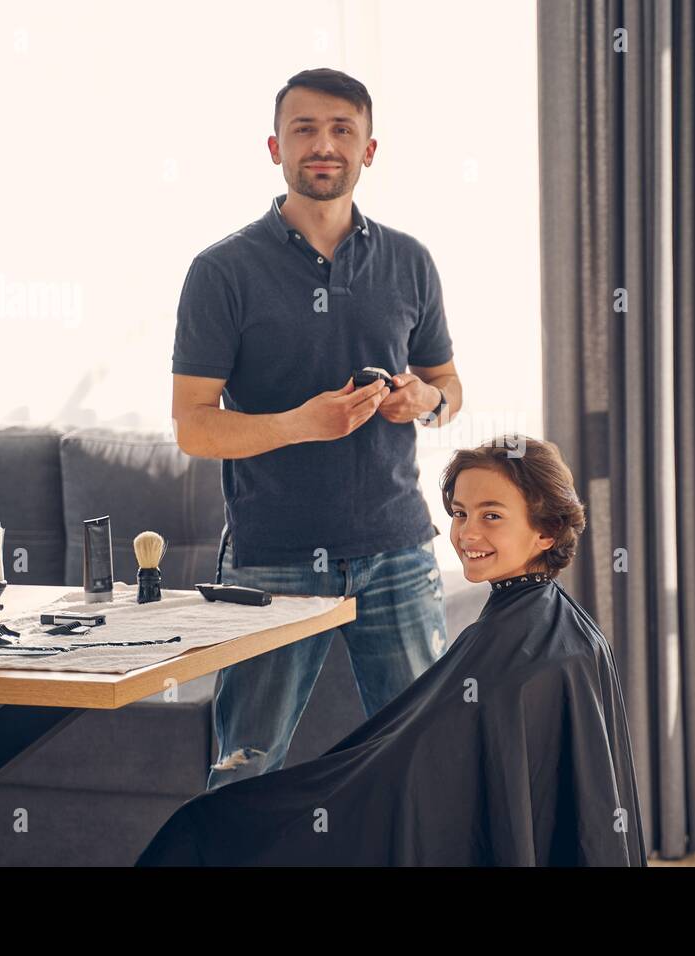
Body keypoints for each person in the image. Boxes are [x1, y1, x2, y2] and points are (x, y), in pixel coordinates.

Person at [137, 436, 647, 866]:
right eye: (460, 513)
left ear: (547, 530)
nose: (467, 533)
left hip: (386, 816)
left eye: (492, 516)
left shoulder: (529, 646)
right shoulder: (564, 631)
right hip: (390, 803)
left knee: (204, 827)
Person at [169, 68, 463, 789]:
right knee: (245, 768)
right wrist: (301, 424)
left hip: (397, 550)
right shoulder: (221, 271)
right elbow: (194, 429)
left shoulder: (410, 261)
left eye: (342, 130)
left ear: (370, 150)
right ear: (275, 147)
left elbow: (450, 389)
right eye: (305, 129)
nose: (323, 144)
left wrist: (422, 400)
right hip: (272, 559)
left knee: (421, 759)